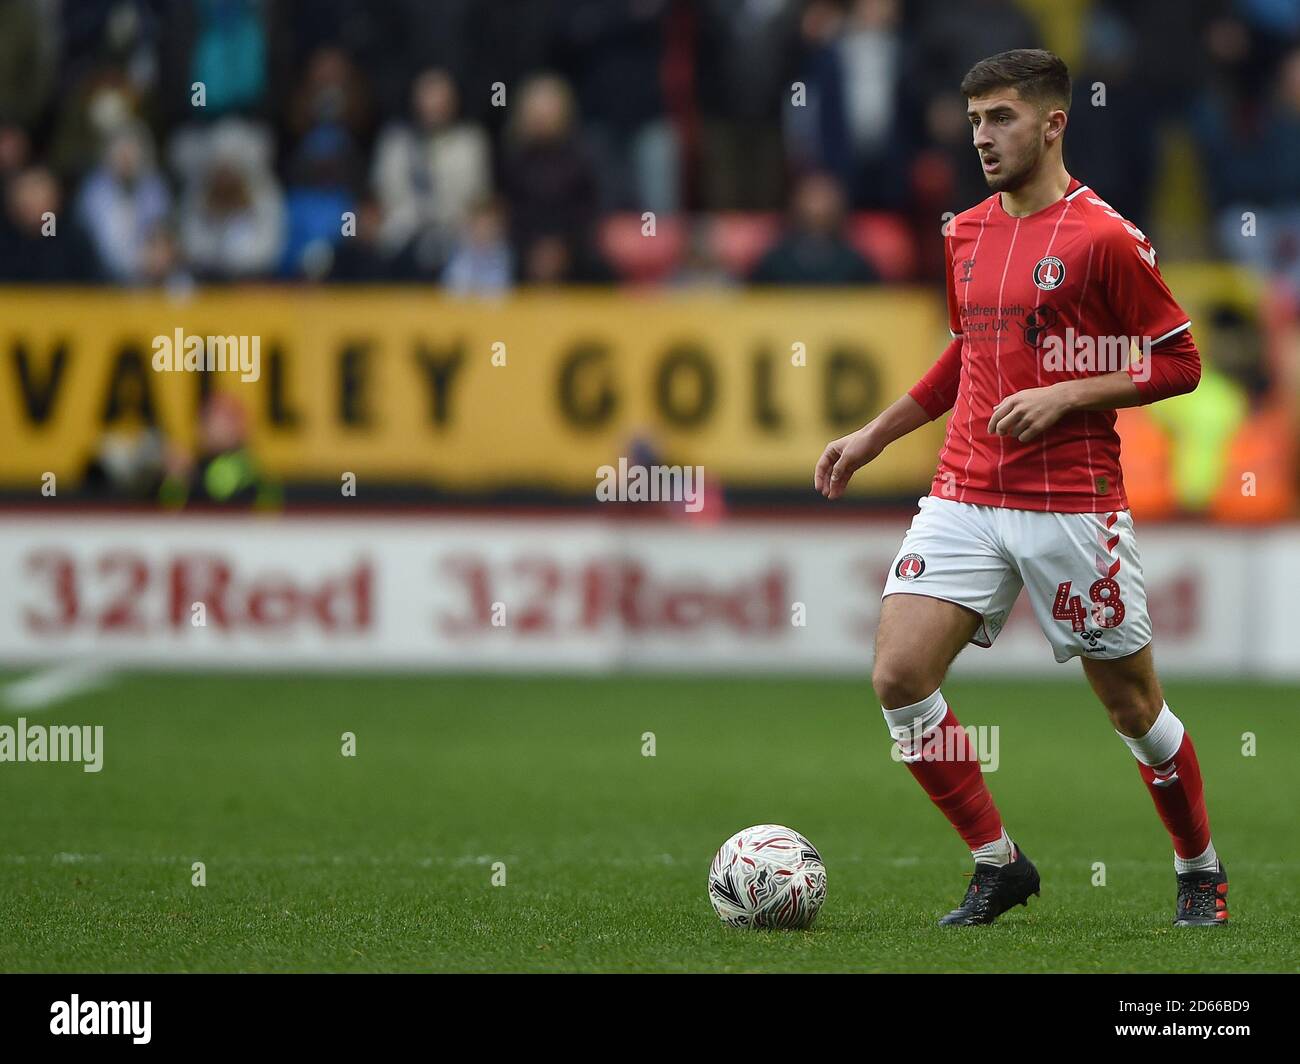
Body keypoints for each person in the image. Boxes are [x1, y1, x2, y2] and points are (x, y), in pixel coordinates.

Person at [814, 50, 1224, 928]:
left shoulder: (1104, 236)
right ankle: (997, 863)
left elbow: (1181, 360)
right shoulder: (964, 231)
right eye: (973, 122)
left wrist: (1071, 391)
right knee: (898, 674)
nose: (983, 138)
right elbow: (969, 354)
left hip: (1071, 504)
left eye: (1000, 118)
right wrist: (873, 437)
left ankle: (1199, 867)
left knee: (1134, 708)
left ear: (1053, 123)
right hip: (964, 491)